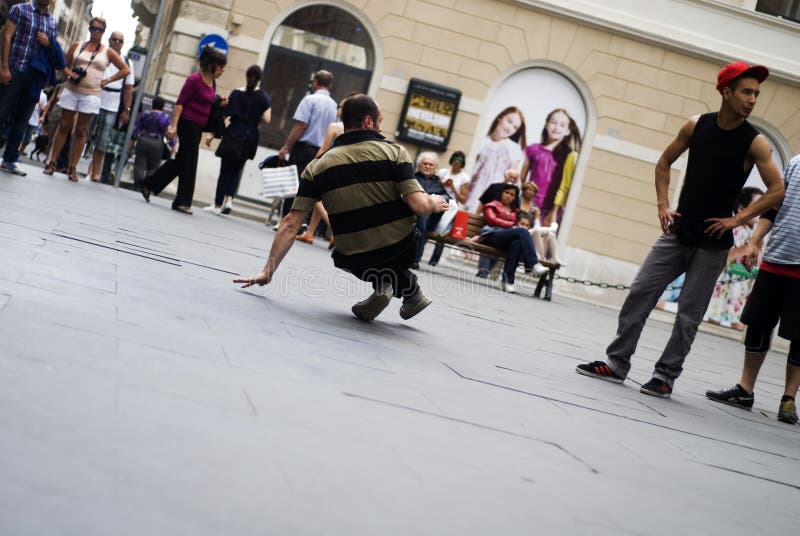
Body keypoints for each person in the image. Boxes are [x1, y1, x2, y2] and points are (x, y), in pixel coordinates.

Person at [575, 61, 785, 398]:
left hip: (714, 243)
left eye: (756, 94)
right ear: (726, 92)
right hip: (677, 232)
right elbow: (663, 163)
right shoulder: (696, 126)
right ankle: (617, 363)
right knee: (640, 292)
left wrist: (736, 219)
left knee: (688, 316)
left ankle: (665, 376)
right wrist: (662, 205)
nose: (753, 99)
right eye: (747, 91)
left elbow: (777, 189)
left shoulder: (754, 143)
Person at [234, 94, 449, 322]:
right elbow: (421, 206)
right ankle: (402, 288)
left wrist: (268, 271)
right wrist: (434, 202)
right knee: (392, 246)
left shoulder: (317, 167)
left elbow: (290, 224)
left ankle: (385, 285)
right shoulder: (395, 152)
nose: (381, 126)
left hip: (355, 257)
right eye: (380, 121)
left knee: (342, 254)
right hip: (402, 247)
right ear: (369, 121)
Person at [705, 155, 800, 424]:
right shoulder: (795, 163)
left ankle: (788, 400)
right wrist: (755, 241)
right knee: (758, 325)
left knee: (799, 337)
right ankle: (745, 390)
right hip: (775, 260)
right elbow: (773, 206)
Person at [140, 45, 227, 214]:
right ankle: (181, 202)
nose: (222, 70)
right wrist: (173, 126)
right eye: (221, 66)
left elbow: (209, 103)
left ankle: (148, 184)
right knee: (190, 162)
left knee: (181, 161)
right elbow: (180, 103)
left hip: (198, 126)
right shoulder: (194, 80)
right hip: (187, 124)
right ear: (211, 65)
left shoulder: (212, 83)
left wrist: (219, 103)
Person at [43, 17, 130, 183]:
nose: (97, 32)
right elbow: (63, 64)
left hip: (91, 94)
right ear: (89, 29)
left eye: (101, 30)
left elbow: (125, 70)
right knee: (64, 126)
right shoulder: (77, 45)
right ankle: (52, 162)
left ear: (104, 32)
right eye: (94, 28)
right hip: (71, 90)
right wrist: (70, 74)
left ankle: (72, 168)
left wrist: (107, 81)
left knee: (82, 131)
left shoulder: (107, 51)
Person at [203, 64, 271, 215]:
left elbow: (225, 115)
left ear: (247, 76)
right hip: (250, 136)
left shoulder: (236, 93)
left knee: (225, 170)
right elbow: (267, 118)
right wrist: (254, 120)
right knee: (236, 171)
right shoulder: (264, 97)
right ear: (259, 79)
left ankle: (217, 203)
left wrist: (212, 134)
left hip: (234, 133)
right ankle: (229, 200)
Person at [0, 0, 57, 177]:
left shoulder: (52, 21)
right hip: (15, 69)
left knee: (22, 120)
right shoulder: (20, 9)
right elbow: (7, 36)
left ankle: (9, 160)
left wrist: (49, 43)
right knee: (2, 112)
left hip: (35, 77)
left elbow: (52, 51)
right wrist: (4, 66)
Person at [277, 69, 337, 220]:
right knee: (309, 187)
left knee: (293, 184)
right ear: (329, 86)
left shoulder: (309, 100)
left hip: (303, 149)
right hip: (322, 151)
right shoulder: (334, 106)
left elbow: (301, 125)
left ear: (315, 82)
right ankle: (302, 220)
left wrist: (287, 146)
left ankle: (287, 219)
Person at [705, 186, 763, 330]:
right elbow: (728, 255)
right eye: (755, 206)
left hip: (740, 286)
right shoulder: (736, 230)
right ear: (741, 208)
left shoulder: (753, 233)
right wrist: (750, 246)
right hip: (729, 284)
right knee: (721, 323)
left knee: (736, 323)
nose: (759, 211)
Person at [294, 95, 349, 245]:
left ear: (343, 110)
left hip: (329, 166)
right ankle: (310, 233)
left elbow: (324, 148)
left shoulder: (335, 126)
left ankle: (336, 232)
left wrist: (314, 163)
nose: (337, 109)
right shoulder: (351, 129)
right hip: (343, 168)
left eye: (339, 107)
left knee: (317, 198)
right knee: (323, 198)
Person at [474, 183, 543, 293]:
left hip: (506, 240)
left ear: (514, 198)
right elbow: (492, 220)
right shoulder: (492, 205)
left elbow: (527, 225)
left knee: (516, 244)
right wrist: (512, 226)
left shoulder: (516, 212)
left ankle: (507, 281)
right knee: (521, 231)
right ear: (502, 193)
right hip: (492, 236)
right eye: (507, 193)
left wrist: (536, 218)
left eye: (512, 194)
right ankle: (532, 264)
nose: (509, 196)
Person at [521, 109, 582, 226]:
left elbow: (565, 186)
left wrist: (555, 211)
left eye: (562, 125)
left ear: (568, 131)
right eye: (553, 122)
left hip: (552, 210)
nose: (556, 127)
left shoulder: (569, 156)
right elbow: (521, 179)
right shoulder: (533, 149)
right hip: (529, 205)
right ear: (546, 124)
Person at [88, 30, 133, 183]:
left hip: (112, 106)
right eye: (114, 39)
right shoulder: (100, 54)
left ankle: (95, 173)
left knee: (103, 141)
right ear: (109, 40)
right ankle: (71, 166)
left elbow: (128, 88)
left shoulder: (127, 62)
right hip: (93, 98)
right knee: (83, 134)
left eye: (120, 40)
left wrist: (126, 110)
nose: (117, 42)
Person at [464, 106, 526, 213]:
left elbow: (513, 180)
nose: (509, 127)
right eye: (509, 121)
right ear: (500, 118)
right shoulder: (481, 142)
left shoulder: (513, 148)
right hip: (473, 193)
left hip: (495, 197)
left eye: (515, 127)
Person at [412, 151, 456, 268]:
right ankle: (415, 259)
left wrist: (433, 202)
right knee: (422, 214)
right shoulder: (412, 178)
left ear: (435, 167)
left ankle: (415, 259)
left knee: (424, 215)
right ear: (419, 165)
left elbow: (448, 199)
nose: (427, 166)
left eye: (430, 164)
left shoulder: (438, 182)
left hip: (432, 220)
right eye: (425, 163)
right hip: (412, 215)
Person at [131, 96, 170, 188]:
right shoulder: (166, 118)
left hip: (143, 140)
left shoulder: (145, 114)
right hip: (157, 143)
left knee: (139, 164)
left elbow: (137, 129)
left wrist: (132, 142)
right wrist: (173, 146)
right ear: (163, 106)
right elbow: (169, 133)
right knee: (153, 167)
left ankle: (138, 185)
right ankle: (147, 187)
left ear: (152, 104)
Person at [17, 87, 47, 155]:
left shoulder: (43, 96)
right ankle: (16, 151)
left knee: (27, 139)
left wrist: (42, 116)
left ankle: (20, 152)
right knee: (20, 135)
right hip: (25, 117)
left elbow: (44, 108)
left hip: (34, 120)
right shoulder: (30, 89)